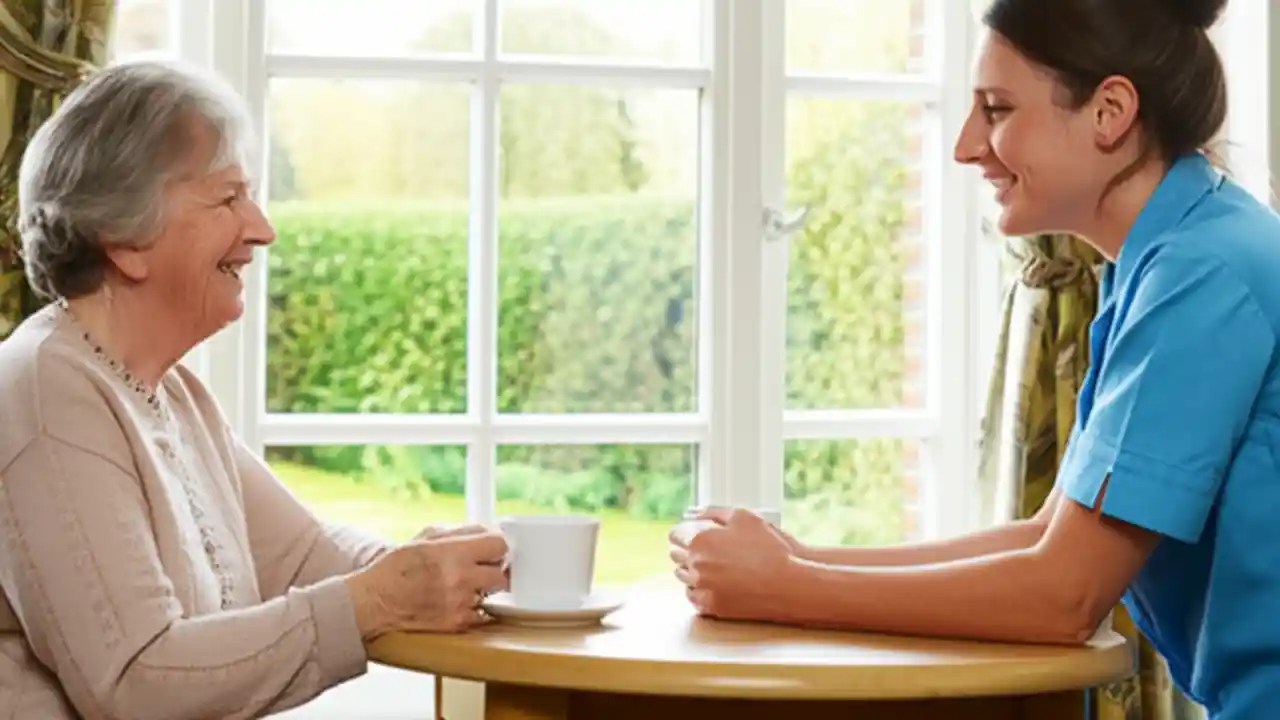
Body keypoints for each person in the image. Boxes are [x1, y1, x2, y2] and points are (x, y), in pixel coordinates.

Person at [671, 0, 1280, 717]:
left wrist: (782, 588)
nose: (966, 146)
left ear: (1109, 111)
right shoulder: (1171, 256)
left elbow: (1064, 596)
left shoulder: (1202, 273)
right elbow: (1047, 536)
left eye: (996, 109)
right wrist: (799, 558)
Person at [0, 60, 509, 719]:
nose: (262, 229)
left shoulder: (171, 393)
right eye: (228, 198)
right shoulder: (47, 390)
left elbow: (305, 556)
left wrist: (444, 567)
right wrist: (380, 598)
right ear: (124, 237)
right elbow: (136, 680)